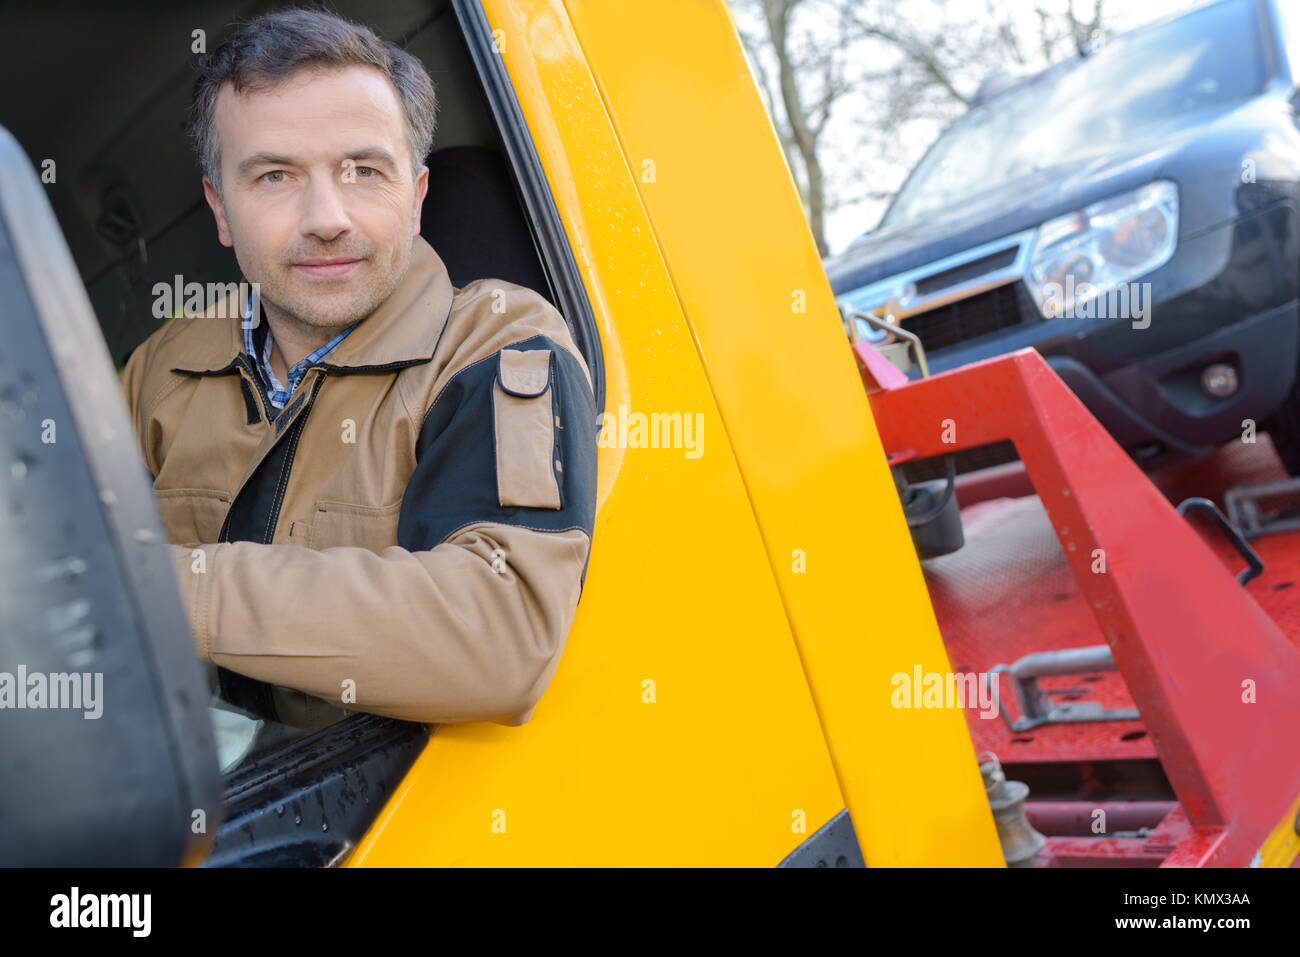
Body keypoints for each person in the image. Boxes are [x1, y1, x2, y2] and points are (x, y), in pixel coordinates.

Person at [120, 7, 597, 728]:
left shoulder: (502, 345)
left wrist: (160, 586)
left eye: (364, 170)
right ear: (221, 210)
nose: (326, 216)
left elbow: (500, 632)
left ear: (416, 199)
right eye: (276, 176)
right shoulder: (159, 366)